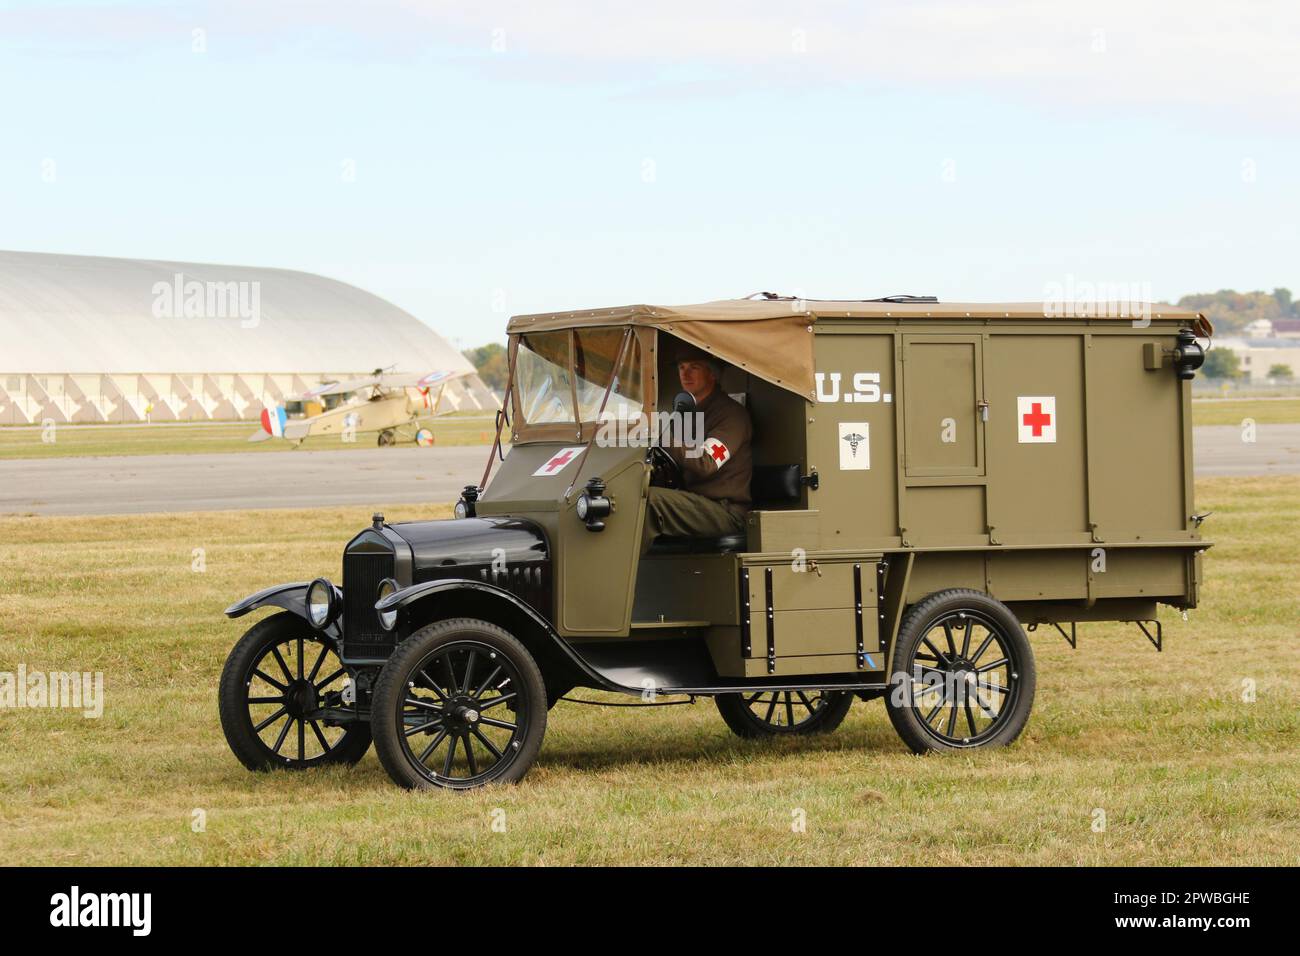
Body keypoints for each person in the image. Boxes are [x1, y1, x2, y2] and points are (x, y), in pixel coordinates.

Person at [641, 345, 753, 553]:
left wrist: (661, 437)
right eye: (681, 367)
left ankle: (622, 581)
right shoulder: (685, 413)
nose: (685, 373)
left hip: (724, 511)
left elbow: (706, 462)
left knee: (650, 503)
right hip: (693, 503)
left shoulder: (730, 415)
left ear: (712, 373)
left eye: (694, 367)